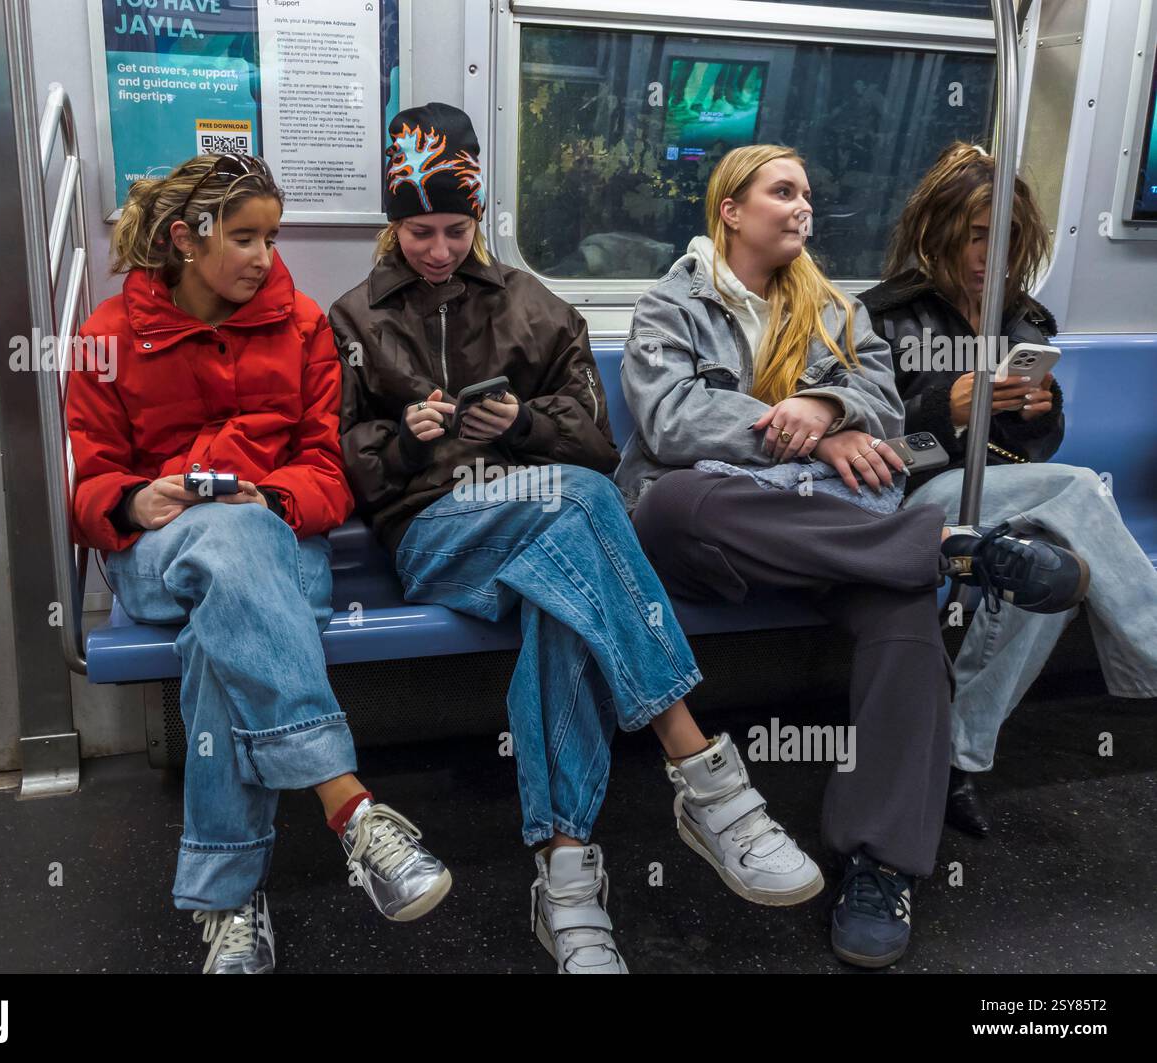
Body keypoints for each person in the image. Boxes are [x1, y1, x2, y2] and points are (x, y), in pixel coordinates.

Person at [330, 103, 825, 974]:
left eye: (454, 228)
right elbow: (346, 466)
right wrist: (409, 438)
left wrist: (518, 422)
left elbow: (593, 437)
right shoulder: (354, 321)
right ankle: (705, 776)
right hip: (434, 533)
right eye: (418, 231)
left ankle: (566, 881)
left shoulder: (533, 304)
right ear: (392, 224)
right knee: (583, 507)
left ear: (478, 219)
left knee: (562, 596)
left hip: (544, 520)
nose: (439, 250)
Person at [617, 143, 1090, 968]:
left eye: (808, 193)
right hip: (718, 527)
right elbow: (672, 424)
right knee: (673, 499)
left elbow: (878, 395)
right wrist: (803, 431)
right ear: (730, 209)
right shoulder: (671, 304)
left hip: (827, 526)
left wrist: (831, 405)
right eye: (782, 191)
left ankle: (882, 861)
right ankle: (944, 548)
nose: (803, 206)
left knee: (905, 616)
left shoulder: (835, 307)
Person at [66, 153, 450, 974]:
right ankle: (349, 804)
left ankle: (229, 900)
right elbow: (91, 481)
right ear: (185, 236)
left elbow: (325, 469)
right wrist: (139, 499)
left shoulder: (303, 327)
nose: (264, 257)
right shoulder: (108, 335)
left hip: (280, 540)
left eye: (271, 238)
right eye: (244, 238)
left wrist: (270, 503)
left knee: (222, 626)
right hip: (157, 552)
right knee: (221, 551)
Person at [861, 142, 1157, 836]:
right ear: (938, 232)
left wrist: (1039, 414)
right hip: (918, 502)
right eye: (975, 235)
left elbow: (1036, 451)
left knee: (1056, 568)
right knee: (1081, 492)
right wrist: (944, 409)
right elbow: (873, 451)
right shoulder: (883, 318)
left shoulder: (1026, 322)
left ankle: (956, 758)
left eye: (1007, 238)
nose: (989, 255)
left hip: (1006, 493)